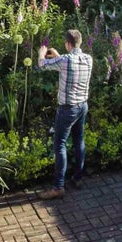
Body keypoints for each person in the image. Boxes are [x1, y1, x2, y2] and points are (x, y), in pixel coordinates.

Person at [36, 29, 93, 200]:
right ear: (80, 42)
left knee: (59, 145)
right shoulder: (88, 59)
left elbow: (42, 64)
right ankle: (78, 177)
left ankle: (58, 187)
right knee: (79, 141)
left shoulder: (65, 60)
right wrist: (59, 55)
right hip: (82, 106)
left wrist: (42, 53)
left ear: (67, 43)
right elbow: (69, 66)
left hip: (67, 109)